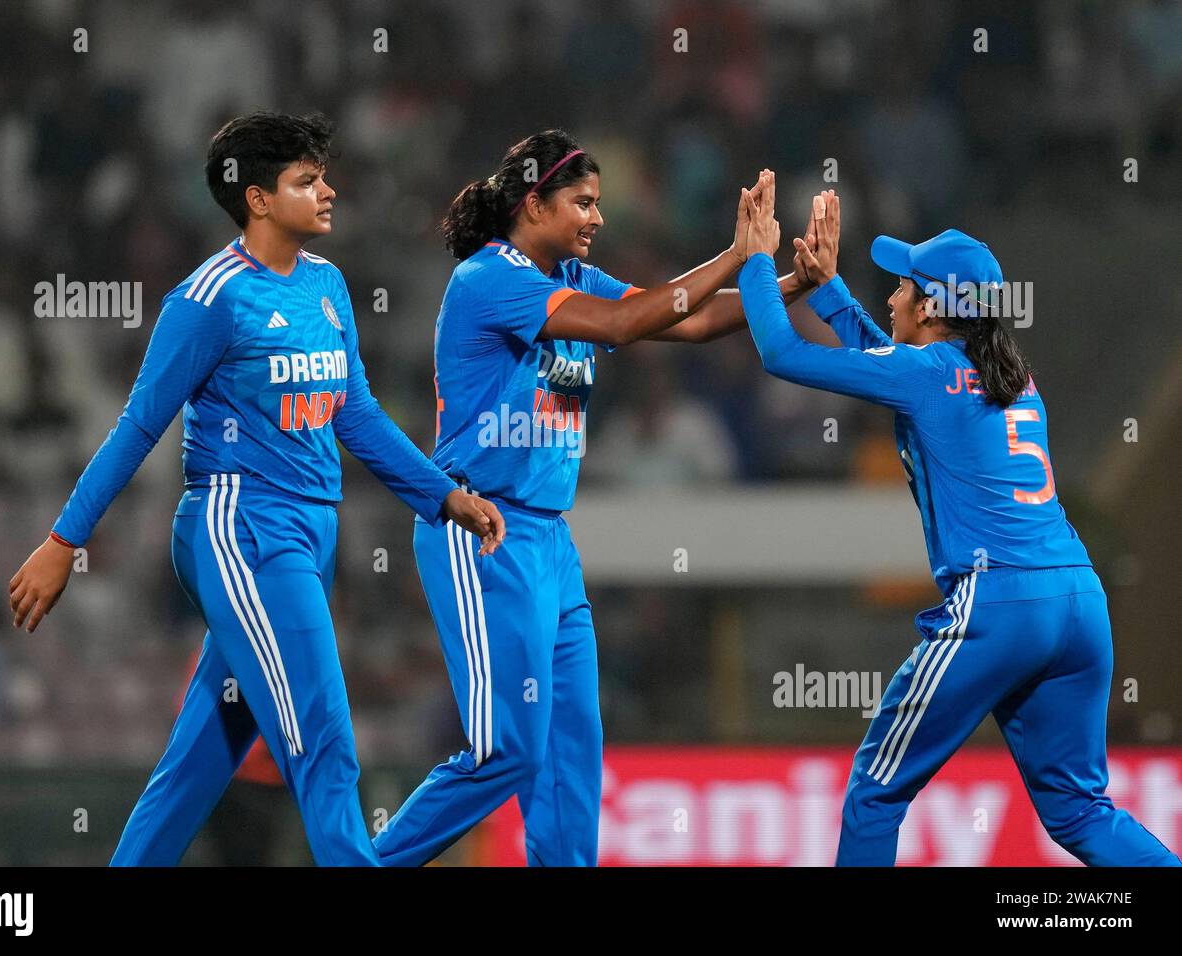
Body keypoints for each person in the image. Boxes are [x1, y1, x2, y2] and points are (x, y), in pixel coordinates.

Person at [7, 111, 505, 866]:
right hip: (238, 529)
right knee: (326, 743)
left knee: (201, 759)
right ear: (260, 200)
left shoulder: (328, 285)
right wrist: (62, 540)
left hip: (306, 536)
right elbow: (139, 427)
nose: (329, 191)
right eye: (308, 181)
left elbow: (357, 415)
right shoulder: (209, 300)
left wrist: (444, 495)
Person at [373, 131, 814, 867]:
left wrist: (792, 281)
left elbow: (692, 318)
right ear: (533, 202)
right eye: (582, 202)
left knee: (571, 756)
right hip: (481, 528)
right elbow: (622, 324)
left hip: (550, 542)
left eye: (599, 204)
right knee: (509, 749)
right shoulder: (490, 280)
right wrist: (740, 253)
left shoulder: (572, 275)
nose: (595, 218)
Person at [737, 170, 1180, 866]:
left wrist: (755, 259)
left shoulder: (926, 374)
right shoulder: (1010, 375)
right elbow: (894, 367)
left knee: (875, 792)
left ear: (933, 308)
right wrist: (829, 290)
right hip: (1076, 601)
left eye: (904, 287)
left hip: (999, 604)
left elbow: (780, 352)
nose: (892, 296)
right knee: (1082, 813)